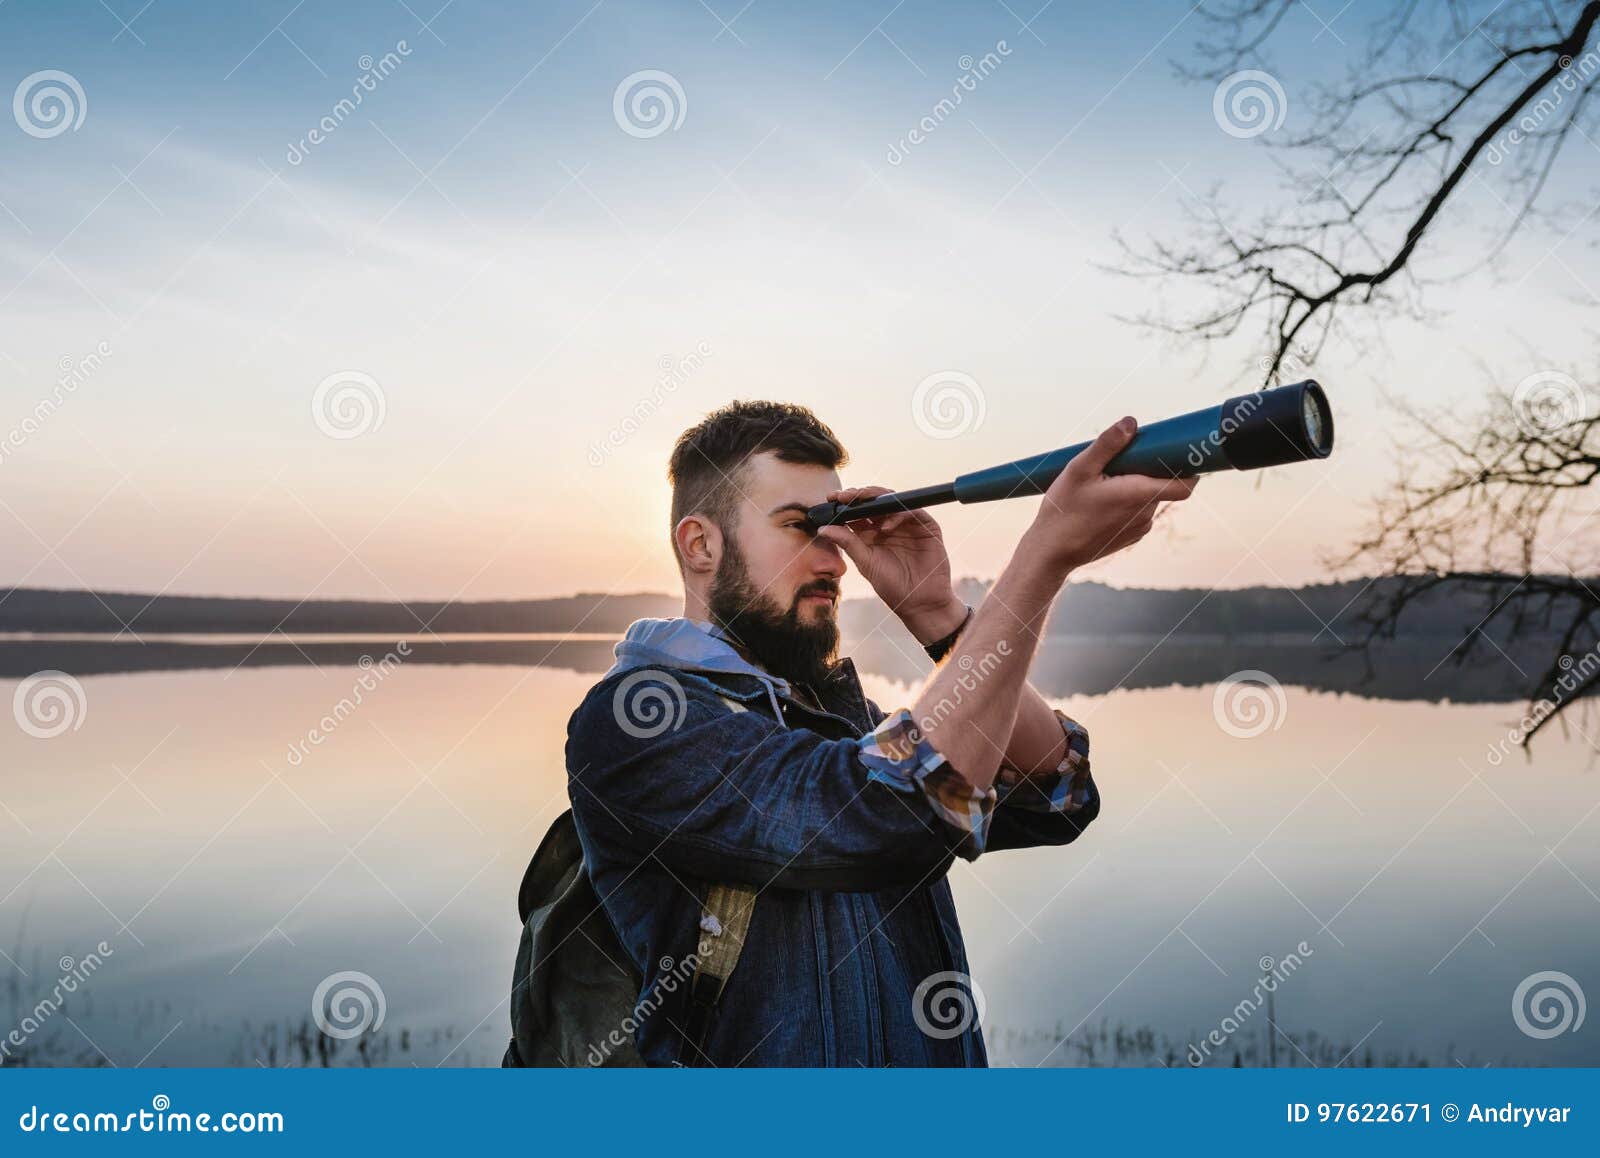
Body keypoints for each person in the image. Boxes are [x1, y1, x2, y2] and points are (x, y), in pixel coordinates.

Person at [565, 399, 1198, 1065]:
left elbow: (1052, 794)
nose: (835, 562)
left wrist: (936, 610)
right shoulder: (636, 723)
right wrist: (1042, 561)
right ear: (701, 545)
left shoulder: (833, 715)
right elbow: (894, 809)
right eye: (802, 527)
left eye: (836, 528)